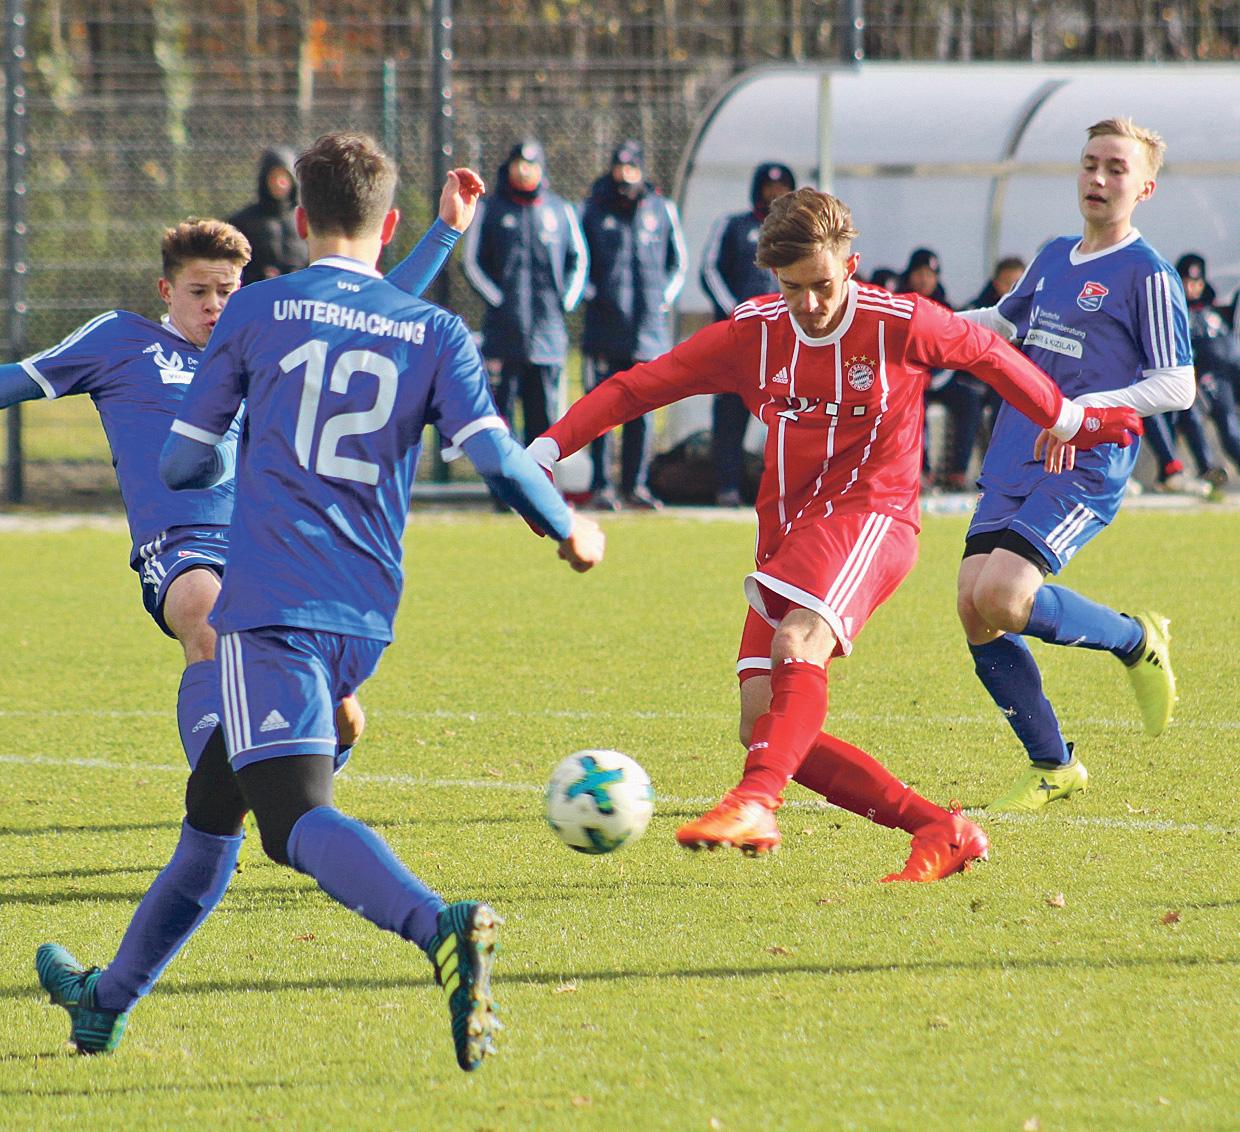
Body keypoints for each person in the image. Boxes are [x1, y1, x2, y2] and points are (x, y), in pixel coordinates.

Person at [29, 161, 544, 1069]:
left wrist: (445, 234)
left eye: (227, 289)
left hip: (270, 564)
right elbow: (19, 378)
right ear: (166, 291)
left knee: (222, 812)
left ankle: (429, 923)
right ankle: (107, 1000)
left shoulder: (269, 323)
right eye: (200, 291)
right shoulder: (125, 342)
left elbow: (366, 305)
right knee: (206, 626)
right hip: (202, 555)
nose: (215, 304)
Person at [528, 187, 1139, 876]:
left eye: (822, 284)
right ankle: (939, 828)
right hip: (788, 534)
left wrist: (1069, 420)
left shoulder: (899, 323)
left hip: (873, 515)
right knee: (761, 723)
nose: (810, 303)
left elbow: (989, 356)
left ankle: (757, 801)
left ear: (850, 265)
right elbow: (639, 386)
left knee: (799, 643)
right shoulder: (753, 334)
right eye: (793, 288)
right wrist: (544, 452)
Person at [955, 117, 1195, 813]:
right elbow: (1003, 324)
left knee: (1004, 598)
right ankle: (1053, 765)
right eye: (1090, 163)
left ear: (1144, 188)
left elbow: (1177, 383)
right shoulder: (1055, 254)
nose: (1098, 178)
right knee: (974, 607)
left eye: (1117, 168)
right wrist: (922, 324)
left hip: (1084, 462)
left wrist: (1085, 410)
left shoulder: (1148, 274)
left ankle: (1135, 639)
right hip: (1019, 448)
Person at [579, 139, 687, 510]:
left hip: (647, 331)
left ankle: (635, 486)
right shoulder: (592, 209)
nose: (625, 175)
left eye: (632, 168)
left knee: (641, 411)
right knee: (600, 409)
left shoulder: (661, 209)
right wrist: (593, 294)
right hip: (603, 330)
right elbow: (578, 260)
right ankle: (601, 487)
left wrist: (661, 300)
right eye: (619, 167)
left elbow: (678, 263)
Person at [462, 138, 587, 443]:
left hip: (548, 338)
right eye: (518, 163)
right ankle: (503, 475)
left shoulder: (561, 210)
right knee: (500, 422)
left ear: (541, 169)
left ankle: (538, 473)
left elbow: (579, 260)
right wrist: (499, 301)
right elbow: (471, 262)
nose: (523, 170)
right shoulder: (490, 209)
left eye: (530, 164)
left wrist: (564, 302)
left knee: (543, 423)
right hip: (503, 336)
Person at [700, 161, 796, 506]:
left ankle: (786, 488)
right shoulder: (733, 226)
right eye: (769, 188)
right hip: (739, 339)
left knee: (789, 413)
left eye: (782, 188)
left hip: (785, 339)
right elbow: (709, 270)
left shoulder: (799, 230)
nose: (775, 194)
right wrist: (736, 312)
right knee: (730, 411)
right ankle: (727, 485)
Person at [935, 256, 1029, 490]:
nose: (1012, 289)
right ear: (996, 283)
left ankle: (1008, 470)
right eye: (1008, 283)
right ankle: (959, 475)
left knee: (1011, 403)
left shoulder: (1032, 313)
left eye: (1017, 284)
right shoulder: (980, 309)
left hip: (1003, 381)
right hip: (972, 378)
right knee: (973, 404)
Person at [228, 147, 309, 286]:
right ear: (264, 180)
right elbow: (233, 265)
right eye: (273, 177)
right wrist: (259, 275)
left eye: (283, 177)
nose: (278, 183)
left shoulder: (306, 218)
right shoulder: (244, 221)